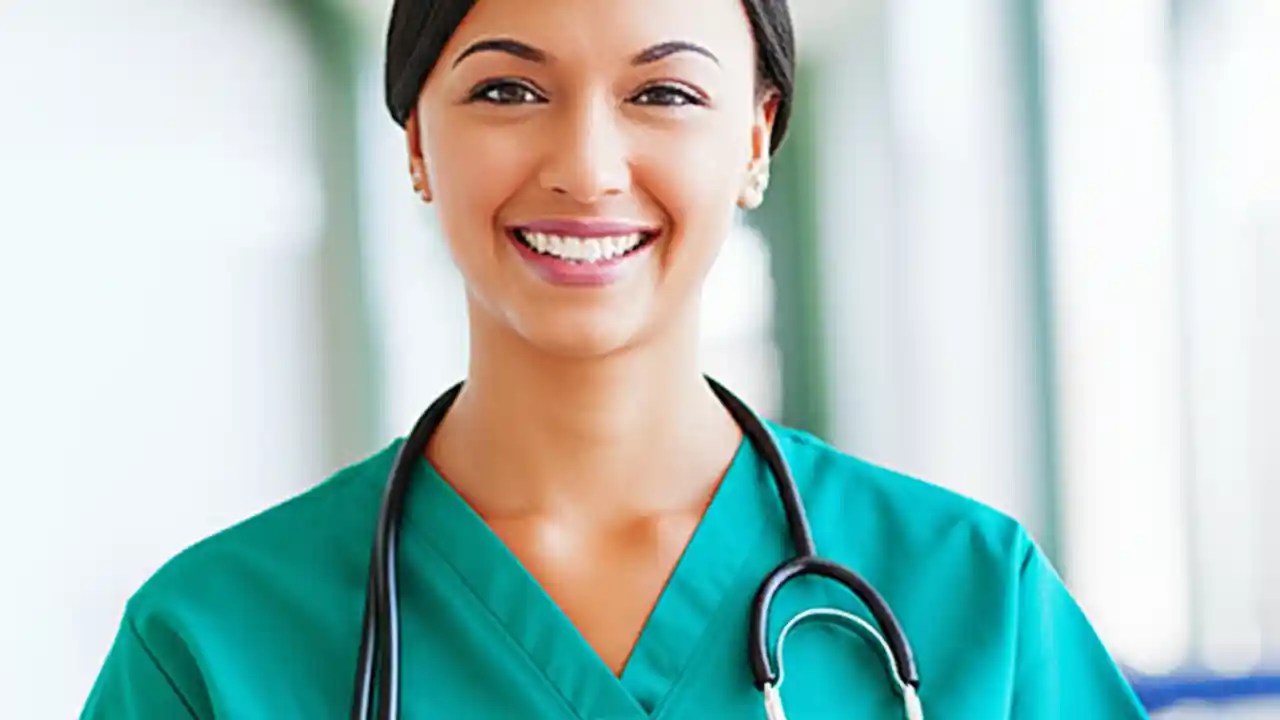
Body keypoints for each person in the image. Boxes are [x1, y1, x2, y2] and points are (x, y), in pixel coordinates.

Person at [81, 0, 1149, 717]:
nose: (586, 169)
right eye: (506, 91)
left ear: (752, 140)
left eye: (663, 94)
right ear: (414, 143)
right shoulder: (216, 644)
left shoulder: (965, 595)